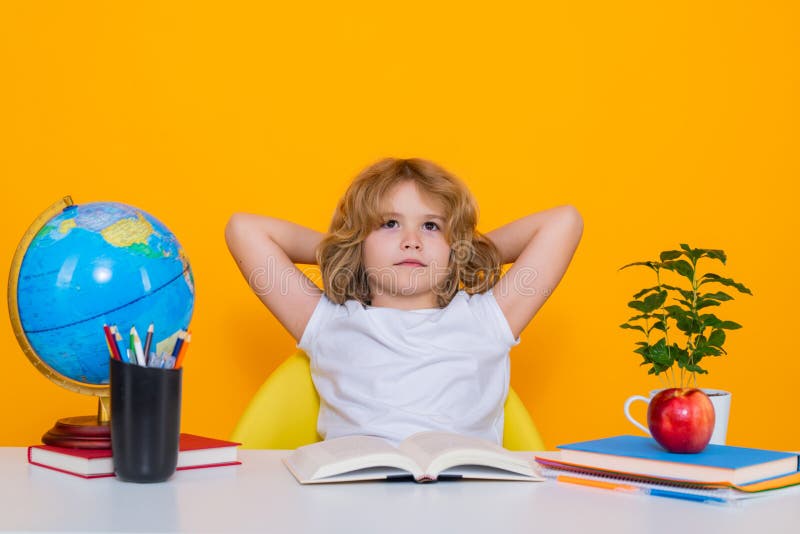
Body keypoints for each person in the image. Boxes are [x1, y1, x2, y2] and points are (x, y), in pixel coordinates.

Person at [225, 157, 583, 445]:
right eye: (389, 224)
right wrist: (346, 251)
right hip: (355, 502)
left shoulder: (486, 320)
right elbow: (243, 229)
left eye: (431, 227)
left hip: (468, 503)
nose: (412, 241)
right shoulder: (327, 322)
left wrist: (465, 254)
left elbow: (564, 222)